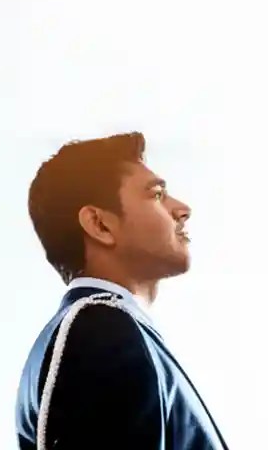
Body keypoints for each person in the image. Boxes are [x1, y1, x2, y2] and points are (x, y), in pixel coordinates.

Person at [14, 132, 229, 449]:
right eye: (157, 195)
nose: (182, 209)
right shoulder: (100, 329)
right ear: (99, 224)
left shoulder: (104, 328)